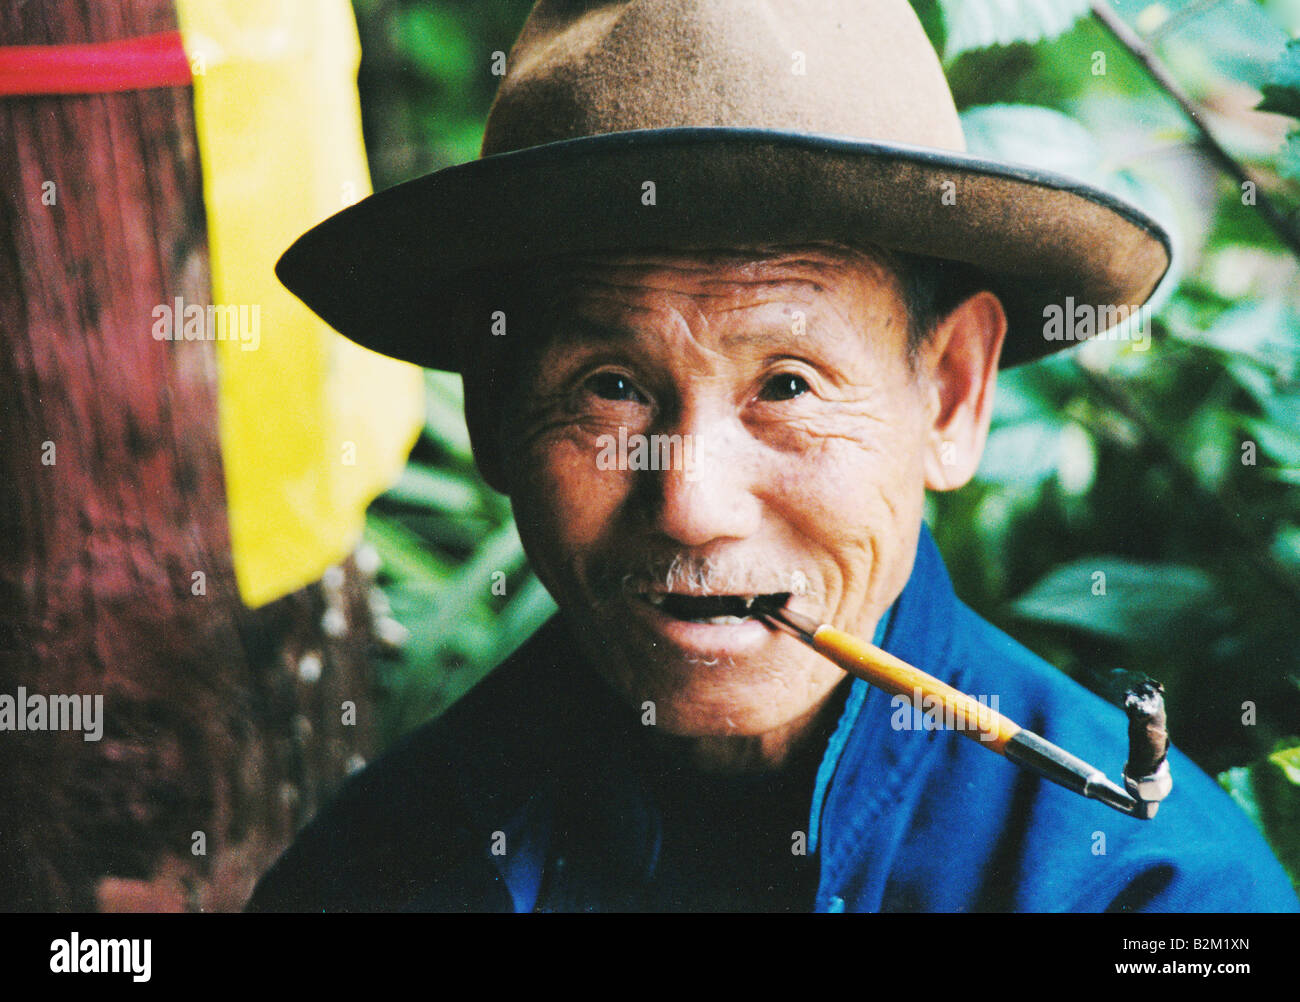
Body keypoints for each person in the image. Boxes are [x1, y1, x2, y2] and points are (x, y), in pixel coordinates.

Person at [246, 0, 1299, 912]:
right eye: (610, 388)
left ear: (951, 393)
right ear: (493, 409)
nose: (692, 506)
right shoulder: (383, 869)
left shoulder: (1142, 892)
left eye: (786, 386)